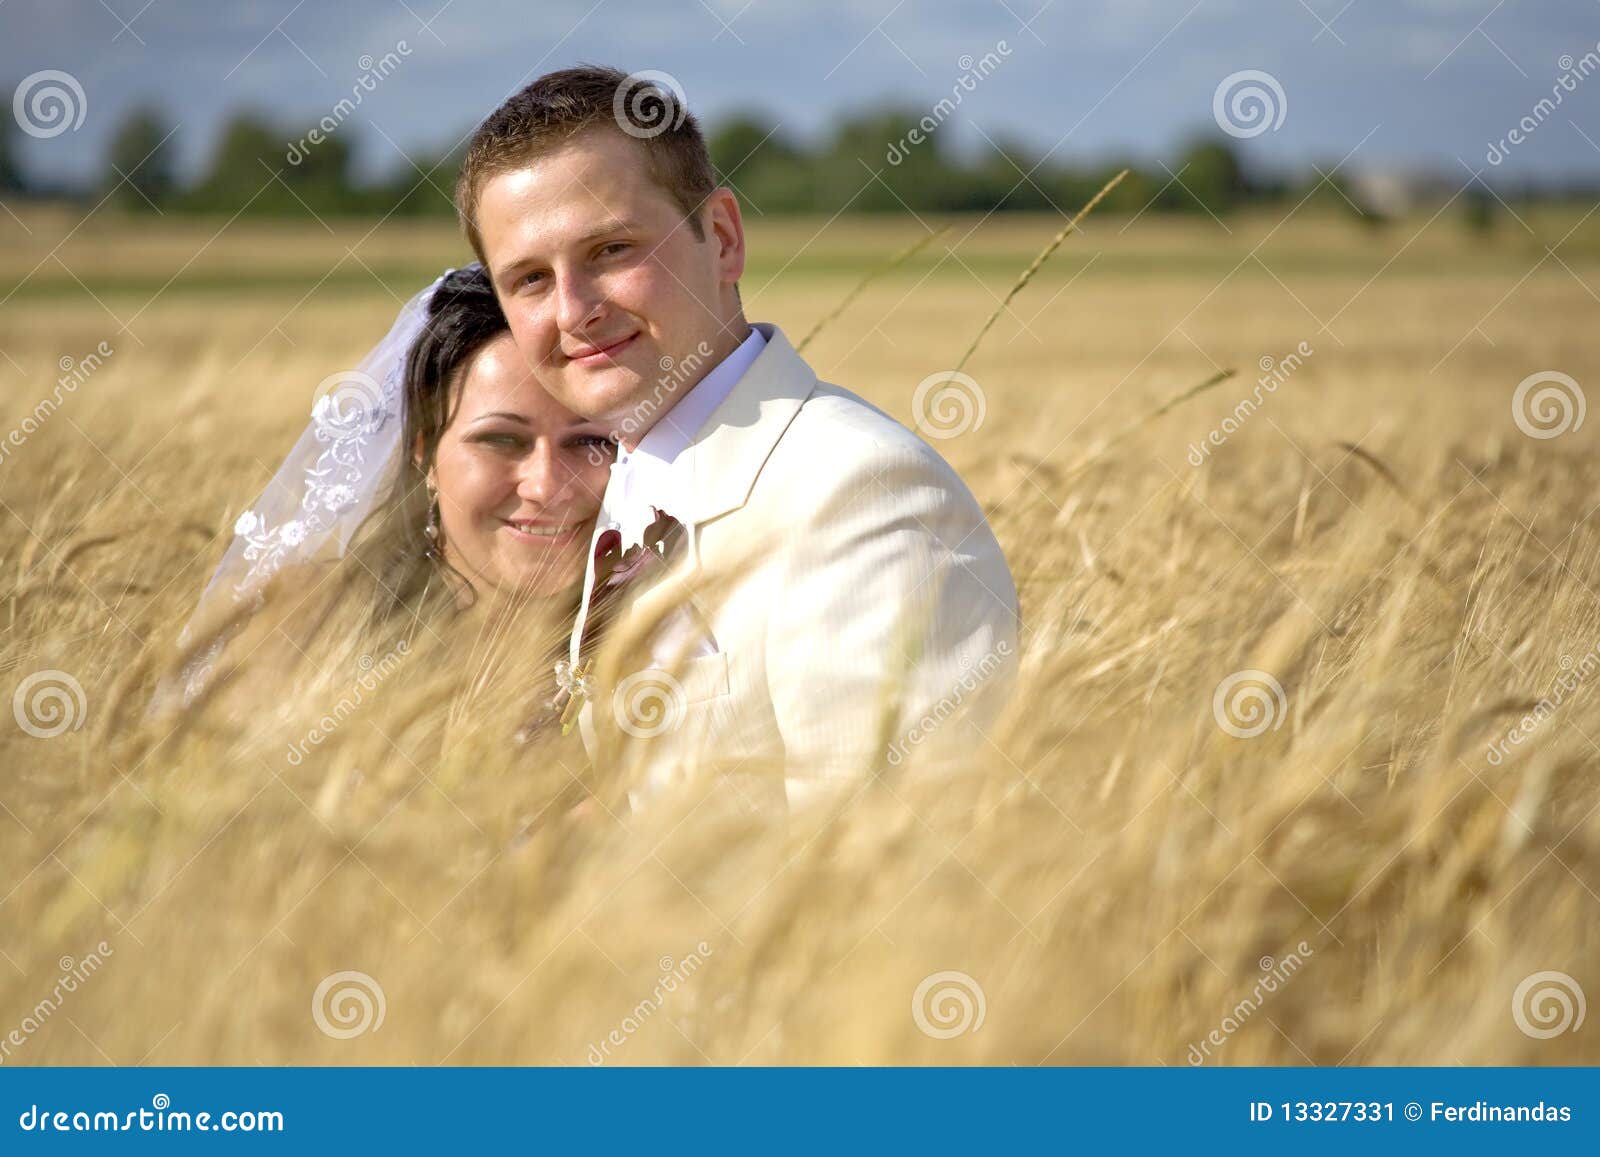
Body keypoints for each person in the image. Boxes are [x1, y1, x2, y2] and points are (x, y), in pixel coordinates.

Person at [455, 66, 1021, 813]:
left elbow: (895, 873)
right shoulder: (627, 493)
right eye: (529, 278)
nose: (573, 311)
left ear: (721, 239)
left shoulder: (863, 500)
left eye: (611, 251)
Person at [163, 265, 616, 752]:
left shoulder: (673, 644)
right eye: (501, 440)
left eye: (591, 440)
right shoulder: (298, 621)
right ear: (424, 454)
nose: (546, 485)